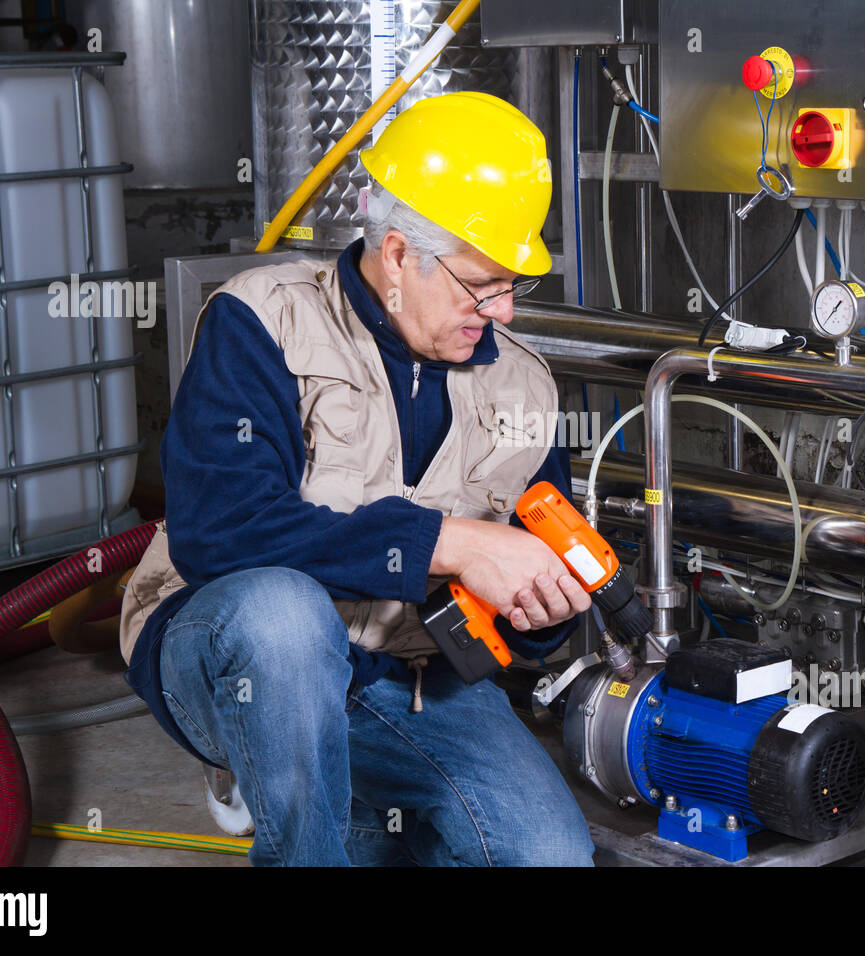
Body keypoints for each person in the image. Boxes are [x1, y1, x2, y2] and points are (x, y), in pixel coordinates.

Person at [118, 92, 596, 866]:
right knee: (283, 617)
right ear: (401, 254)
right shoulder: (262, 321)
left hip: (408, 676)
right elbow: (221, 532)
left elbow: (521, 613)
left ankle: (352, 814)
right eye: (484, 285)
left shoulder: (525, 390)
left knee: (547, 855)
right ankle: (273, 773)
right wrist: (452, 542)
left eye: (515, 283)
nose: (503, 311)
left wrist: (541, 615)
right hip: (236, 653)